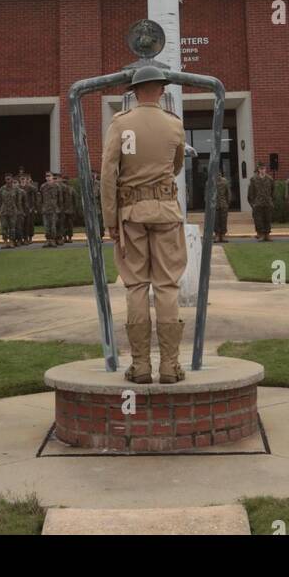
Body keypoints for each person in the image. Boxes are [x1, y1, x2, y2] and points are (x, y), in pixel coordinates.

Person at [101, 64, 187, 385]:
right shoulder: (173, 125)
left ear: (134, 92)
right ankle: (169, 366)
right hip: (165, 211)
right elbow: (176, 164)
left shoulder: (122, 125)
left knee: (136, 285)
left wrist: (110, 219)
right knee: (167, 286)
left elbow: (109, 173)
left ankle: (140, 366)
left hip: (131, 214)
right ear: (161, 90)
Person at [247, 162, 275, 241]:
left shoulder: (270, 179)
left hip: (267, 202)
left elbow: (273, 191)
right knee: (259, 220)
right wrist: (253, 204)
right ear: (258, 170)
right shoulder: (253, 179)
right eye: (261, 169)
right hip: (258, 203)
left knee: (268, 219)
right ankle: (261, 234)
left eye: (264, 169)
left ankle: (267, 235)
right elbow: (251, 193)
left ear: (266, 170)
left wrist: (271, 201)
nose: (262, 170)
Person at [40, 172, 61, 246]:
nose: (48, 177)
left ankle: (52, 240)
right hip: (45, 209)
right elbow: (41, 199)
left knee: (53, 226)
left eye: (49, 176)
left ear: (52, 177)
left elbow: (60, 199)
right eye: (47, 176)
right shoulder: (43, 186)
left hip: (54, 209)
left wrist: (59, 208)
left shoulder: (57, 186)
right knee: (46, 226)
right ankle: (47, 240)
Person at [214, 168, 230, 242]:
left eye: (219, 173)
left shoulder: (225, 182)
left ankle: (223, 235)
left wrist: (227, 203)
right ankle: (217, 235)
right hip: (214, 205)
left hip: (223, 204)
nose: (218, 175)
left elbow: (228, 193)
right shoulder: (211, 181)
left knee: (223, 220)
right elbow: (207, 194)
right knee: (216, 221)